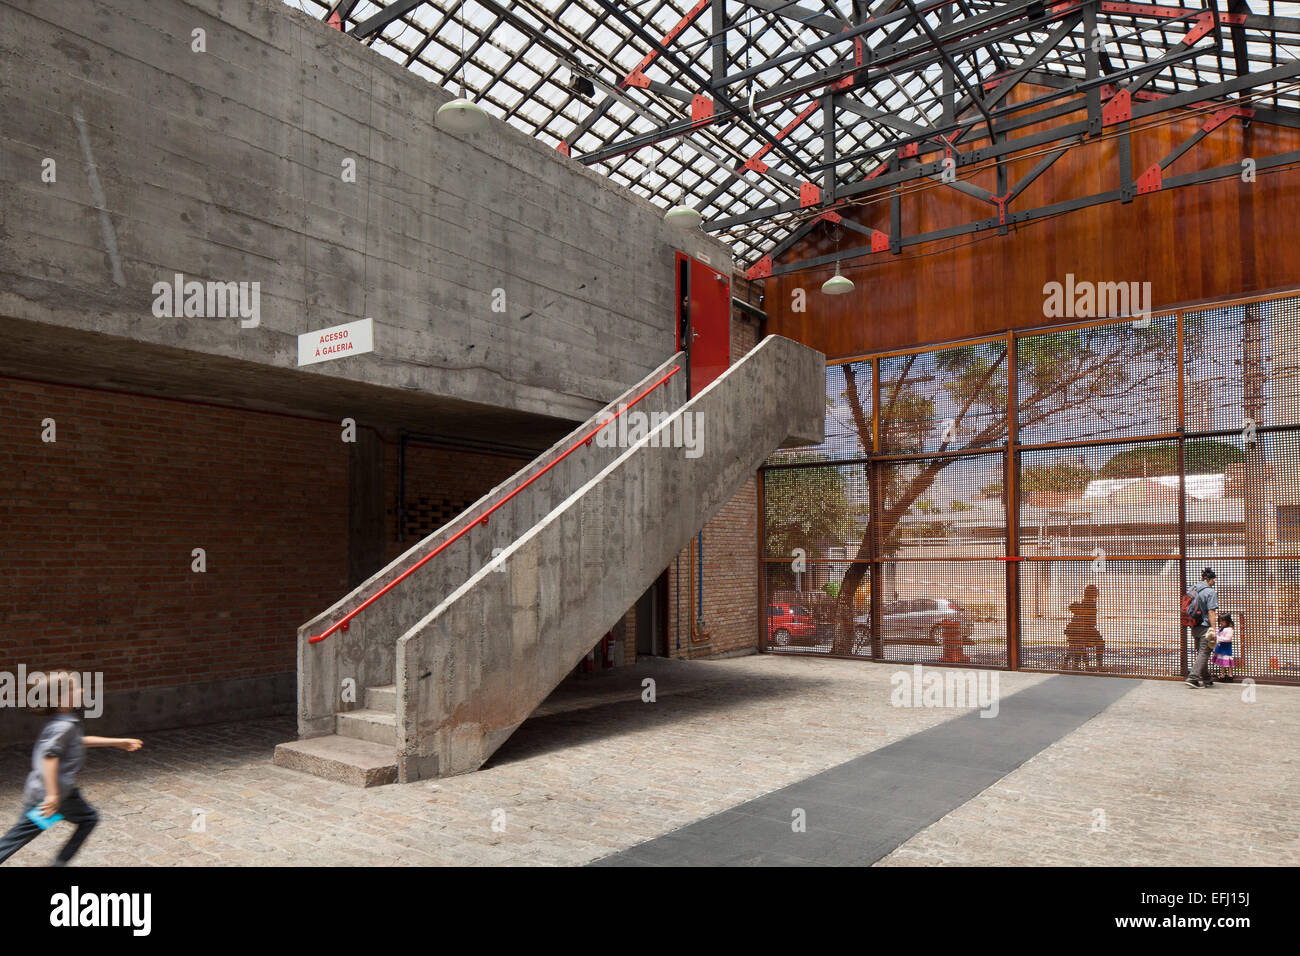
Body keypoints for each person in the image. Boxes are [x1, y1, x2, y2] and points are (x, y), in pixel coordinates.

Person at [0, 672, 143, 866]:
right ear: (59, 699)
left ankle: (59, 863)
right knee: (17, 838)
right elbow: (49, 758)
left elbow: (77, 741)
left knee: (88, 819)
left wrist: (117, 742)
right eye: (75, 688)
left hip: (64, 796)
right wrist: (52, 796)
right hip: (49, 799)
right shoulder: (62, 727)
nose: (82, 690)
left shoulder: (67, 723)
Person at [1185, 567, 1220, 688]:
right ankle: (1193, 678)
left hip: (1194, 624)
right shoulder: (1210, 592)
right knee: (1204, 652)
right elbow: (1211, 612)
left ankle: (1206, 679)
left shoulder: (1192, 588)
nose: (1214, 582)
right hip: (1205, 626)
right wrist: (1214, 629)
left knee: (1201, 652)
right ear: (1211, 580)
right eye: (1214, 580)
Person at [1064, 585, 1105, 671]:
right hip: (1086, 628)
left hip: (1085, 628)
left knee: (1080, 647)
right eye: (1095, 592)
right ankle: (1099, 664)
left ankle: (1076, 664)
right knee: (1099, 643)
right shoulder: (1088, 603)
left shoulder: (1088, 602)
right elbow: (1086, 617)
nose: (1097, 593)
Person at [1212, 612, 1236, 683]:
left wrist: (1218, 638)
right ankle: (1223, 675)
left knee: (1227, 662)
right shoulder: (1222, 628)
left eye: (1223, 621)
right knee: (1223, 662)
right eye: (1220, 621)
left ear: (1227, 621)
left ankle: (1230, 675)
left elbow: (1228, 639)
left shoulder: (1229, 629)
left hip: (1226, 648)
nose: (1221, 622)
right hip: (1221, 648)